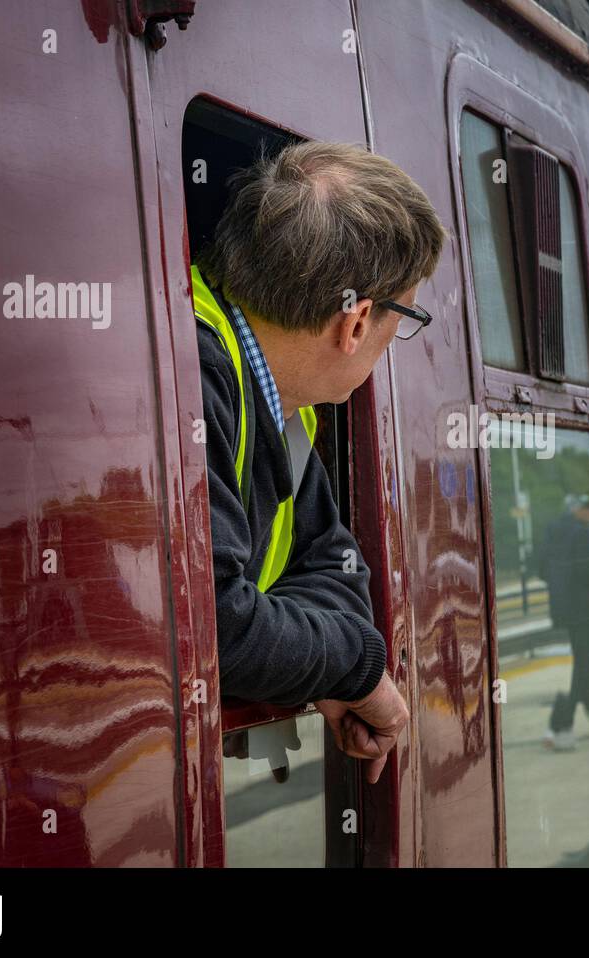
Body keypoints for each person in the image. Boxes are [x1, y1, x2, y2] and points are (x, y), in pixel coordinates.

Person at [193, 141, 444, 783]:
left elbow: (335, 567)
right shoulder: (196, 370)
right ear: (357, 322)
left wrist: (303, 646)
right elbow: (210, 622)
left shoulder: (285, 407)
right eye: (405, 316)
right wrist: (355, 667)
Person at [538, 494, 589, 750]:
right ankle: (559, 725)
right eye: (587, 509)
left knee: (584, 663)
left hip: (566, 610)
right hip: (586, 610)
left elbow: (543, 569)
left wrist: (562, 589)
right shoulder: (585, 534)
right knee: (585, 664)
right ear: (579, 511)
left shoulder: (554, 531)